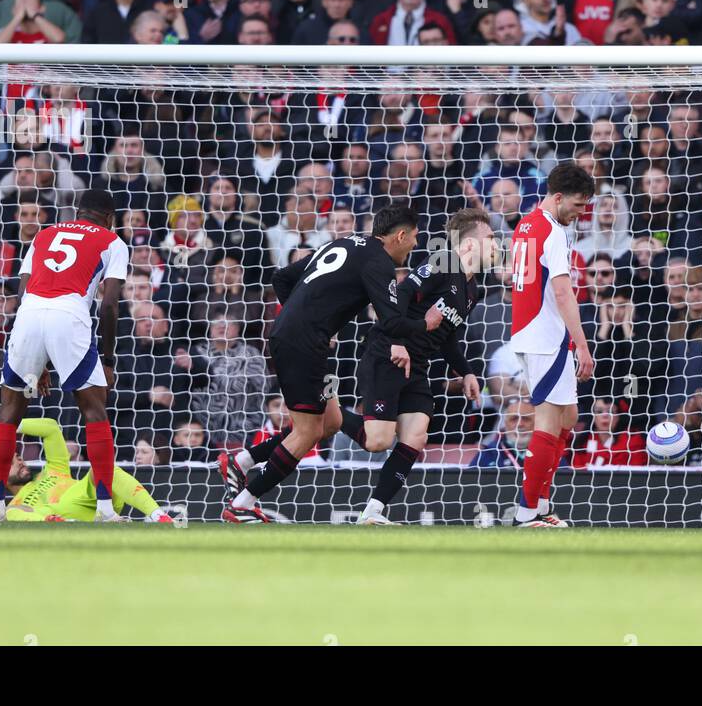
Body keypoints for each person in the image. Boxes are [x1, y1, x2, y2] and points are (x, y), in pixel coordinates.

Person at [219, 202, 443, 523]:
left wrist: (304, 317)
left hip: (299, 338)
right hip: (305, 343)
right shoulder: (379, 262)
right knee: (308, 433)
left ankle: (241, 461)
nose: (416, 245)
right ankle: (243, 502)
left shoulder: (345, 242)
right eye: (415, 238)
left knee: (332, 422)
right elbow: (392, 322)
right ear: (400, 235)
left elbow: (282, 278)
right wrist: (427, 323)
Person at [331, 208, 495, 524]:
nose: (495, 245)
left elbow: (447, 337)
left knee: (415, 436)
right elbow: (399, 296)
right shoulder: (443, 261)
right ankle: (330, 413)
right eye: (489, 238)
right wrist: (396, 340)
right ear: (470, 244)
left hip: (417, 366)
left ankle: (373, 511)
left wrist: (466, 371)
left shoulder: (472, 288)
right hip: (388, 354)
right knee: (377, 440)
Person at [0, 190, 129, 522]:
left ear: (78, 212)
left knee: (9, 412)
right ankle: (105, 509)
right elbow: (109, 303)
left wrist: (39, 361)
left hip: (29, 315)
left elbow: (22, 289)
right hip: (70, 317)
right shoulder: (113, 242)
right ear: (109, 218)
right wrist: (108, 360)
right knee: (94, 411)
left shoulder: (45, 234)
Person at [508, 162, 596, 527]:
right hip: (547, 338)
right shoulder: (553, 232)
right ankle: (527, 512)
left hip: (530, 335)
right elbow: (563, 292)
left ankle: (541, 505)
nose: (581, 213)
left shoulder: (524, 225)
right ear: (558, 197)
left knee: (568, 417)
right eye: (577, 205)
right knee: (548, 421)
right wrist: (582, 345)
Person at [0, 408, 173, 522]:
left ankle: (157, 515)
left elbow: (51, 428)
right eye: (9, 460)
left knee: (102, 468)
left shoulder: (53, 469)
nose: (19, 459)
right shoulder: (10, 508)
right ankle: (60, 523)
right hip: (57, 516)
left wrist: (5, 425)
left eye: (17, 455)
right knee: (15, 515)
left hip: (94, 499)